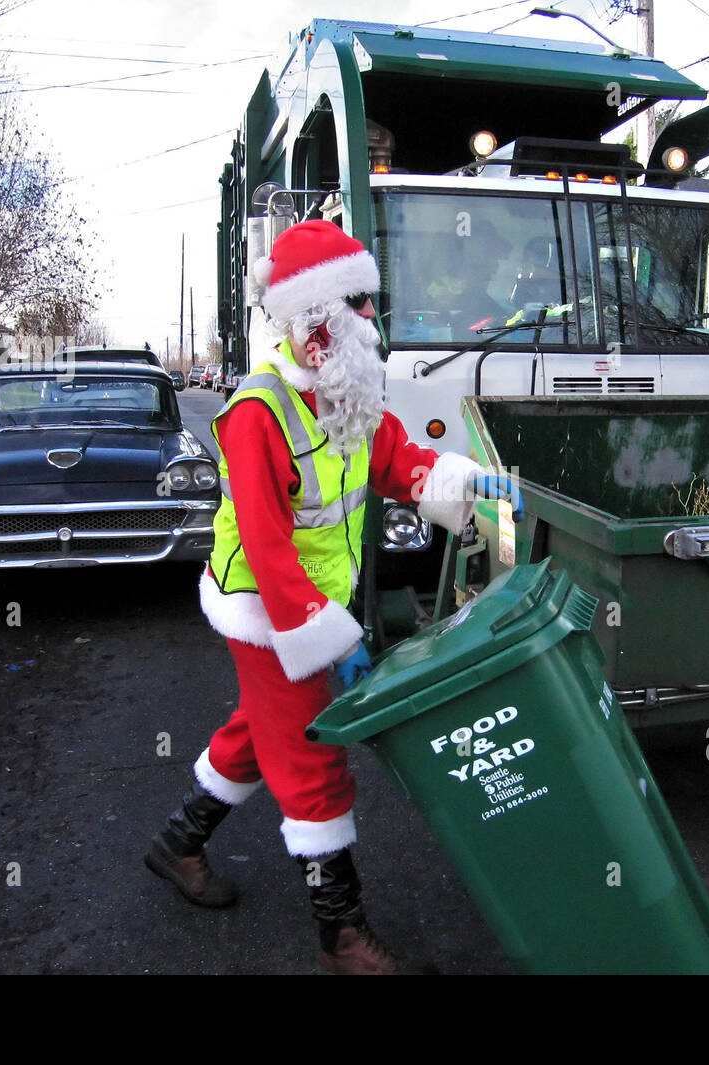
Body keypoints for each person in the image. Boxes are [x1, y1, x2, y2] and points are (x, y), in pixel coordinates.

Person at [144, 219, 522, 975]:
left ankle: (178, 842)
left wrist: (455, 480)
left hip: (309, 610)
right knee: (313, 761)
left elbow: (392, 459)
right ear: (317, 320)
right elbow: (269, 549)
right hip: (268, 615)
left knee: (263, 731)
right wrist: (335, 641)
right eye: (363, 305)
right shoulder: (259, 414)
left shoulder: (343, 391)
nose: (375, 322)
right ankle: (343, 935)